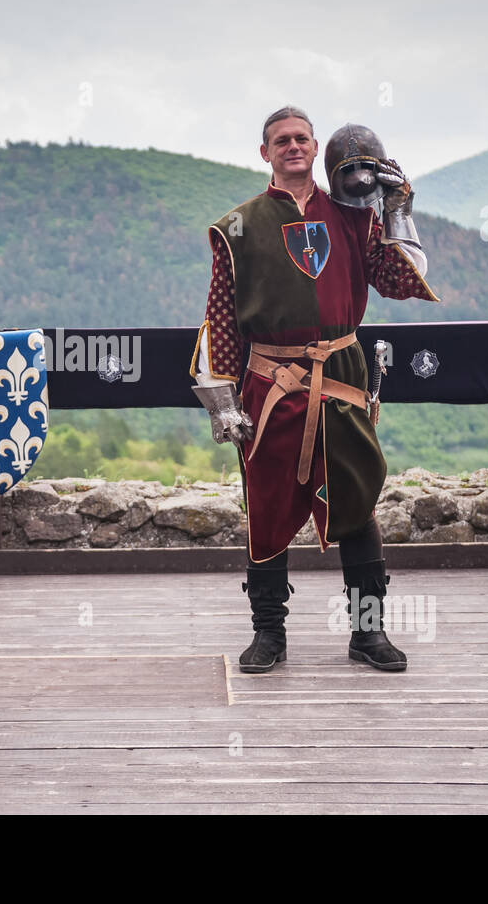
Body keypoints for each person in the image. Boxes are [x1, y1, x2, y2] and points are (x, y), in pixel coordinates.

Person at [191, 107, 437, 673]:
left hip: (343, 377)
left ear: (315, 145)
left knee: (357, 503)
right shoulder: (236, 227)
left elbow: (401, 281)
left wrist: (397, 209)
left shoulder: (353, 215)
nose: (293, 147)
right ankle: (269, 635)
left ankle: (368, 634)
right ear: (266, 152)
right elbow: (220, 320)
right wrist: (223, 403)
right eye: (282, 140)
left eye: (302, 138)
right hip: (270, 383)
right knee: (268, 510)